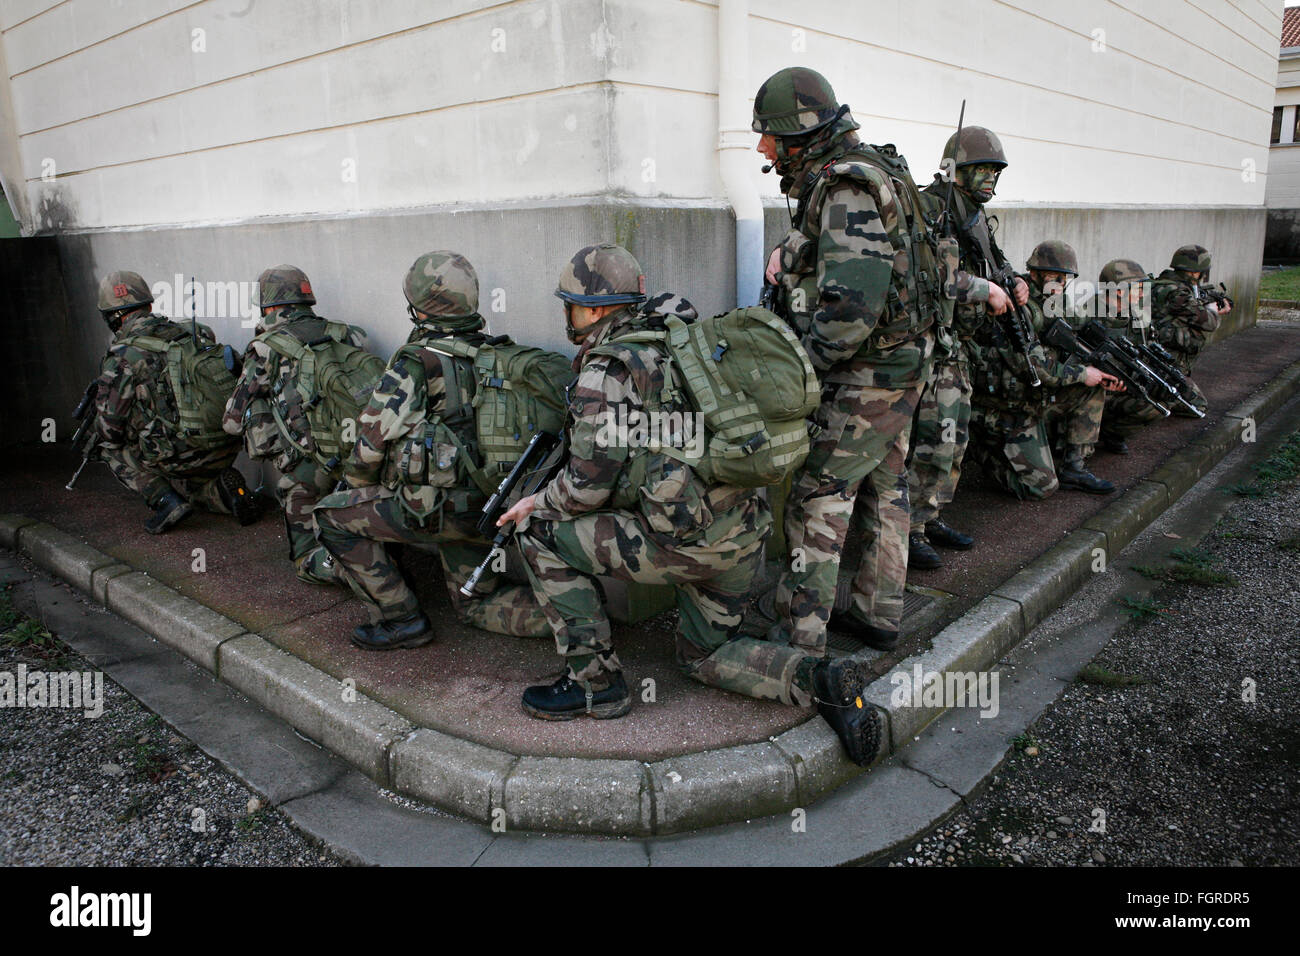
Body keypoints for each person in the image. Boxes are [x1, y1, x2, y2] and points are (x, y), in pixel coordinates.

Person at [499, 243, 882, 766]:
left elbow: (585, 490)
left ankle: (594, 685)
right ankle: (820, 680)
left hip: (682, 546)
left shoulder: (608, 371)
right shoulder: (690, 340)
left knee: (538, 533)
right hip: (743, 535)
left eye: (571, 304)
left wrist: (536, 502)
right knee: (702, 656)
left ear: (591, 309)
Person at [754, 66, 940, 653]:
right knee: (887, 488)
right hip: (905, 363)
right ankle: (877, 613)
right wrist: (792, 252)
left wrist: (802, 369)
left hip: (867, 373)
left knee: (819, 497)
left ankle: (798, 637)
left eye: (771, 137)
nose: (763, 147)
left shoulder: (845, 185)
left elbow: (852, 306)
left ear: (802, 135)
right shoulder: (878, 169)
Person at [313, 252, 554, 649]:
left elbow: (369, 447)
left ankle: (400, 618)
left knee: (331, 517)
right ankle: (574, 615)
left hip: (437, 513)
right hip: (494, 509)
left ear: (418, 308)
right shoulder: (499, 355)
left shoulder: (416, 362)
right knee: (474, 604)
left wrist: (354, 491)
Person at [906, 126, 1019, 569]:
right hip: (931, 345)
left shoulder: (973, 215)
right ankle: (910, 529)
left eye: (996, 170)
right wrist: (984, 288)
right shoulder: (930, 209)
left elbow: (996, 263)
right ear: (955, 170)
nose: (991, 178)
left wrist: (1014, 281)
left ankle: (931, 515)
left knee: (955, 437)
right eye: (982, 169)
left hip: (960, 346)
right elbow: (928, 275)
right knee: (932, 439)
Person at [222, 265, 368, 584]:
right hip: (364, 455)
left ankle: (355, 570)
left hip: (311, 469)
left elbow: (232, 422)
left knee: (304, 562)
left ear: (269, 306)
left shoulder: (265, 347)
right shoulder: (348, 333)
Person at [90, 270, 258, 533]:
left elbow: (110, 430)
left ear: (112, 317)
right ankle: (227, 495)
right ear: (148, 303)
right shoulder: (195, 333)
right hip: (224, 445)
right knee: (194, 486)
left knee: (106, 446)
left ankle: (165, 500)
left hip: (178, 457)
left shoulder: (123, 356)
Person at [966, 242, 1119, 499]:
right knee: (1041, 487)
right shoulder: (1015, 304)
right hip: (1004, 406)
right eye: (1053, 277)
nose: (1059, 283)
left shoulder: (1051, 301)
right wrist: (1084, 373)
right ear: (1034, 274)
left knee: (1090, 388)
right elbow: (1036, 368)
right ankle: (978, 447)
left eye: (1064, 278)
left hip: (1034, 398)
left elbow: (1078, 322)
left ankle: (1074, 467)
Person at [1093, 258, 1164, 455]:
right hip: (1093, 390)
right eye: (1138, 288)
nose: (1143, 294)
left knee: (1160, 402)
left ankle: (1110, 432)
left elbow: (1145, 348)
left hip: (1125, 384)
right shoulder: (1087, 315)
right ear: (1119, 291)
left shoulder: (1135, 315)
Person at [1150, 244, 1226, 417]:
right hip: (1165, 363)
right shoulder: (1179, 294)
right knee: (1198, 407)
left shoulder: (1160, 284)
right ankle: (1159, 399)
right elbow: (1210, 323)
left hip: (1157, 355)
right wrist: (1214, 310)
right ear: (1194, 272)